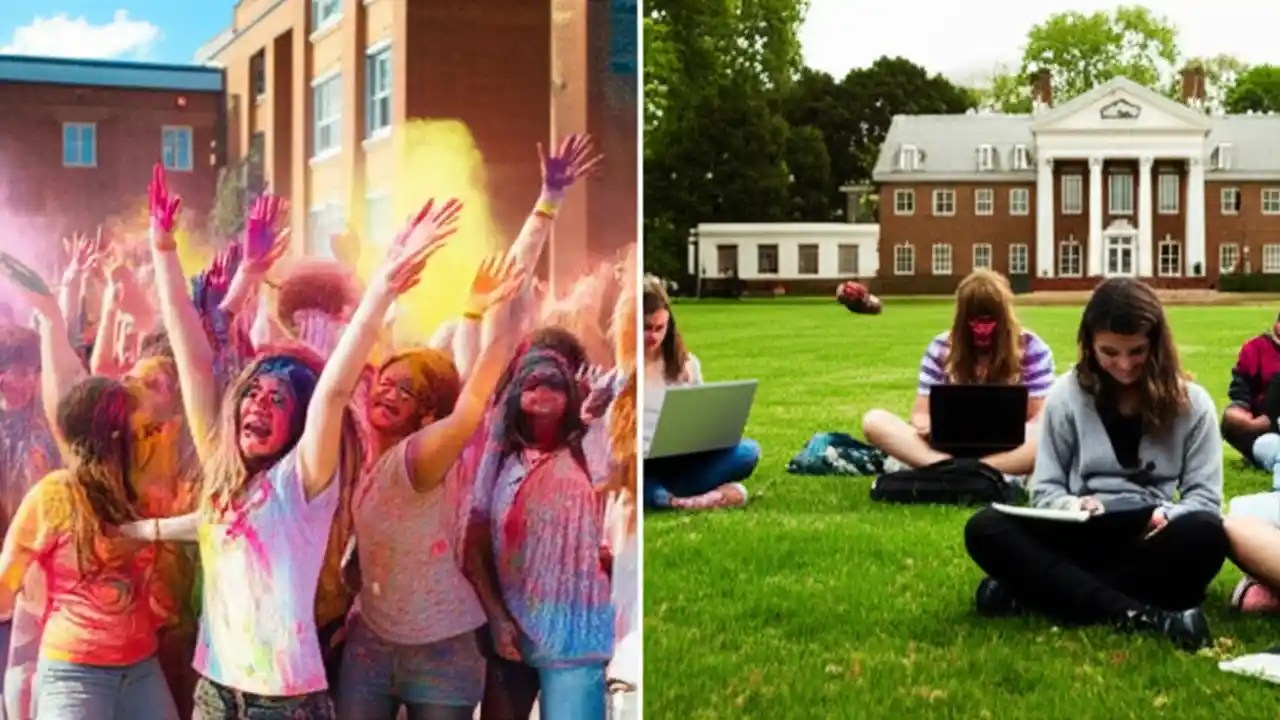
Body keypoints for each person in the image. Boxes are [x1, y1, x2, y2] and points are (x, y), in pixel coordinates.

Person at [127, 165, 457, 717]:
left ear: (298, 424)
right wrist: (162, 247)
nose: (258, 402)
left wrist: (382, 287)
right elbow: (192, 360)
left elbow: (331, 394)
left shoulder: (302, 483)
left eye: (277, 400)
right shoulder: (223, 471)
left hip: (283, 702)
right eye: (253, 393)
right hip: (214, 690)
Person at [962, 278, 1228, 652]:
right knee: (984, 527)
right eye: (1109, 352)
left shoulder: (1193, 405)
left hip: (1149, 539)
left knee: (1205, 534)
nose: (1124, 365)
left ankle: (1035, 591)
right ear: (1089, 343)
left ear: (1156, 344)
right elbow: (1046, 489)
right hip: (1082, 534)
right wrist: (1074, 507)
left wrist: (1164, 515)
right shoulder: (1065, 396)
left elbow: (1204, 499)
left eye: (1137, 351)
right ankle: (1143, 615)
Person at [335, 255, 524, 720]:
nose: (388, 393)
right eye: (386, 382)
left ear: (426, 417)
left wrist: (496, 321)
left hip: (440, 647)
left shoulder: (419, 457)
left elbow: (469, 405)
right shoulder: (366, 454)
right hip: (372, 642)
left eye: (407, 391)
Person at [0, 377, 179, 718]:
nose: (148, 431)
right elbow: (4, 588)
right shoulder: (55, 494)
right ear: (114, 435)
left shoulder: (144, 493)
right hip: (74, 673)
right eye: (140, 425)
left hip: (142, 670)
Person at [467, 346, 613, 720]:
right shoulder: (500, 456)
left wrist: (596, 418)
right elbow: (474, 540)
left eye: (555, 384)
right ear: (516, 395)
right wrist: (496, 618)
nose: (543, 391)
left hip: (574, 638)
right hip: (510, 634)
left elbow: (607, 481)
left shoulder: (585, 446)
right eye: (533, 383)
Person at [861, 269, 1053, 476]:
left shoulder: (1033, 349)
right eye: (974, 321)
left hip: (1012, 448)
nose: (982, 331)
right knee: (874, 421)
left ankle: (954, 470)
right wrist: (926, 427)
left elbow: (1037, 418)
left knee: (1049, 436)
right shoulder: (941, 347)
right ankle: (964, 469)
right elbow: (920, 413)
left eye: (989, 321)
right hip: (947, 448)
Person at [641, 275, 759, 510]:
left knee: (748, 451)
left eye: (659, 328)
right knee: (634, 483)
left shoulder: (686, 364)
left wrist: (713, 435)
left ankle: (673, 498)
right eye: (645, 328)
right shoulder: (620, 367)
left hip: (683, 459)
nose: (653, 336)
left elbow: (699, 418)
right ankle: (684, 498)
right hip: (640, 463)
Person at [1220, 312, 1280, 480]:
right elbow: (1241, 391)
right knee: (1232, 420)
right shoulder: (1255, 349)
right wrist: (1242, 415)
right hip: (1266, 432)